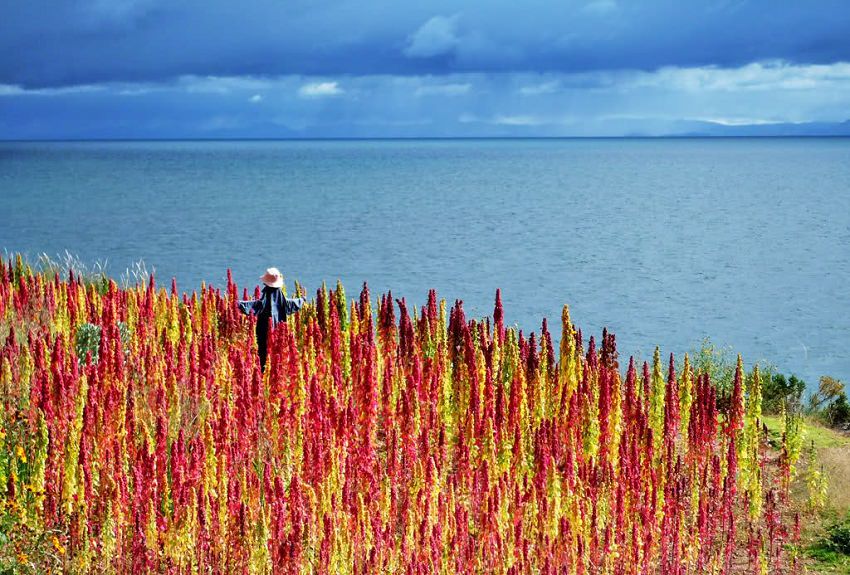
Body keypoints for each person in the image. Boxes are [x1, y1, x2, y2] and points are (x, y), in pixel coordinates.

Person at [237, 267, 306, 371]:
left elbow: (256, 305)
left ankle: (264, 373)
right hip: (279, 331)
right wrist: (301, 300)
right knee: (277, 355)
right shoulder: (280, 295)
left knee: (264, 355)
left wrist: (239, 304)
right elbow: (290, 304)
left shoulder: (266, 295)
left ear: (266, 283)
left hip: (264, 331)